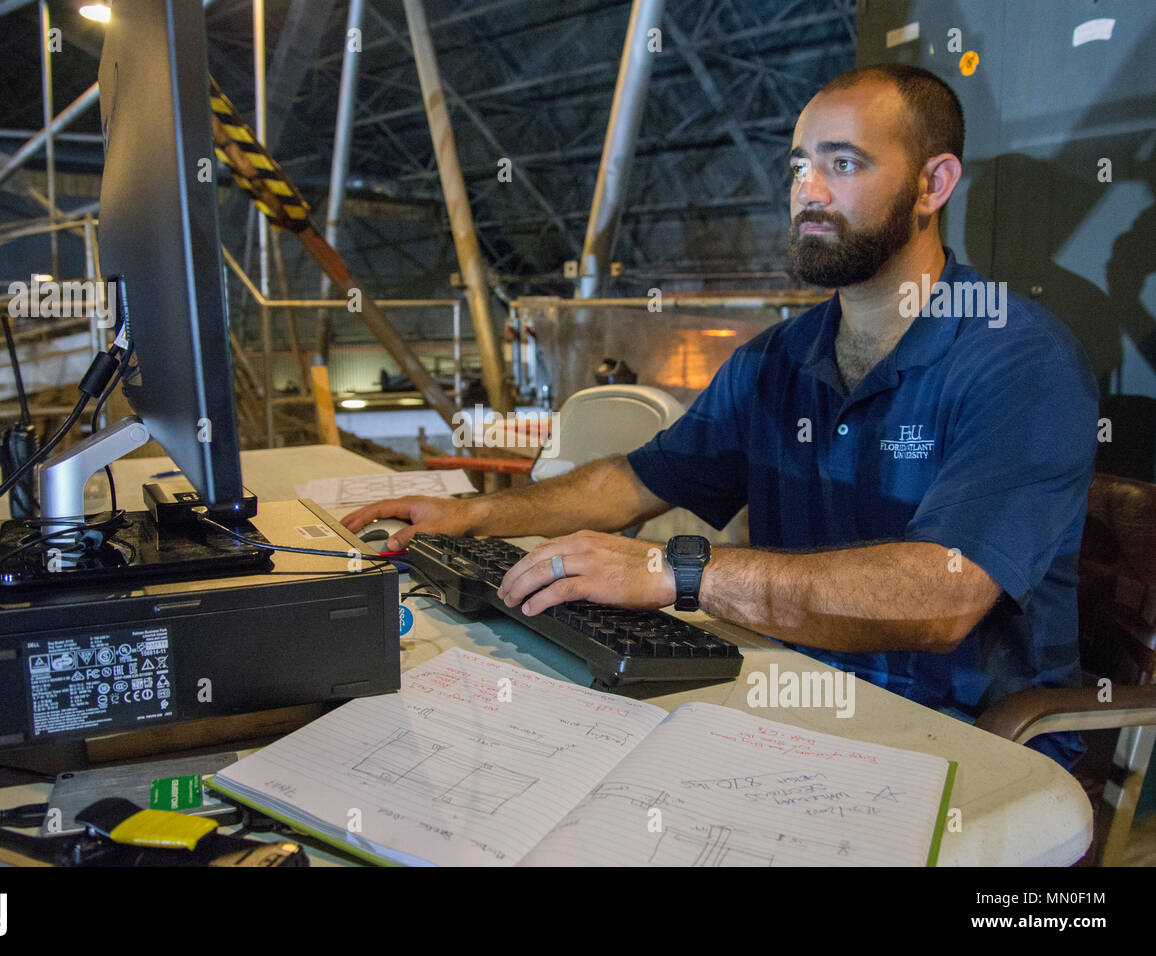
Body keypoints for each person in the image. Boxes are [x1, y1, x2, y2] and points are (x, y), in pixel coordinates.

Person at [342, 64, 1098, 771]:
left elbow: (943, 596)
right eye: (799, 166)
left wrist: (673, 570)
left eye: (843, 164)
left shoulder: (1017, 360)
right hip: (793, 701)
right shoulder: (776, 359)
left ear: (934, 183)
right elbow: (639, 480)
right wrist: (470, 518)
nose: (809, 192)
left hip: (964, 744)